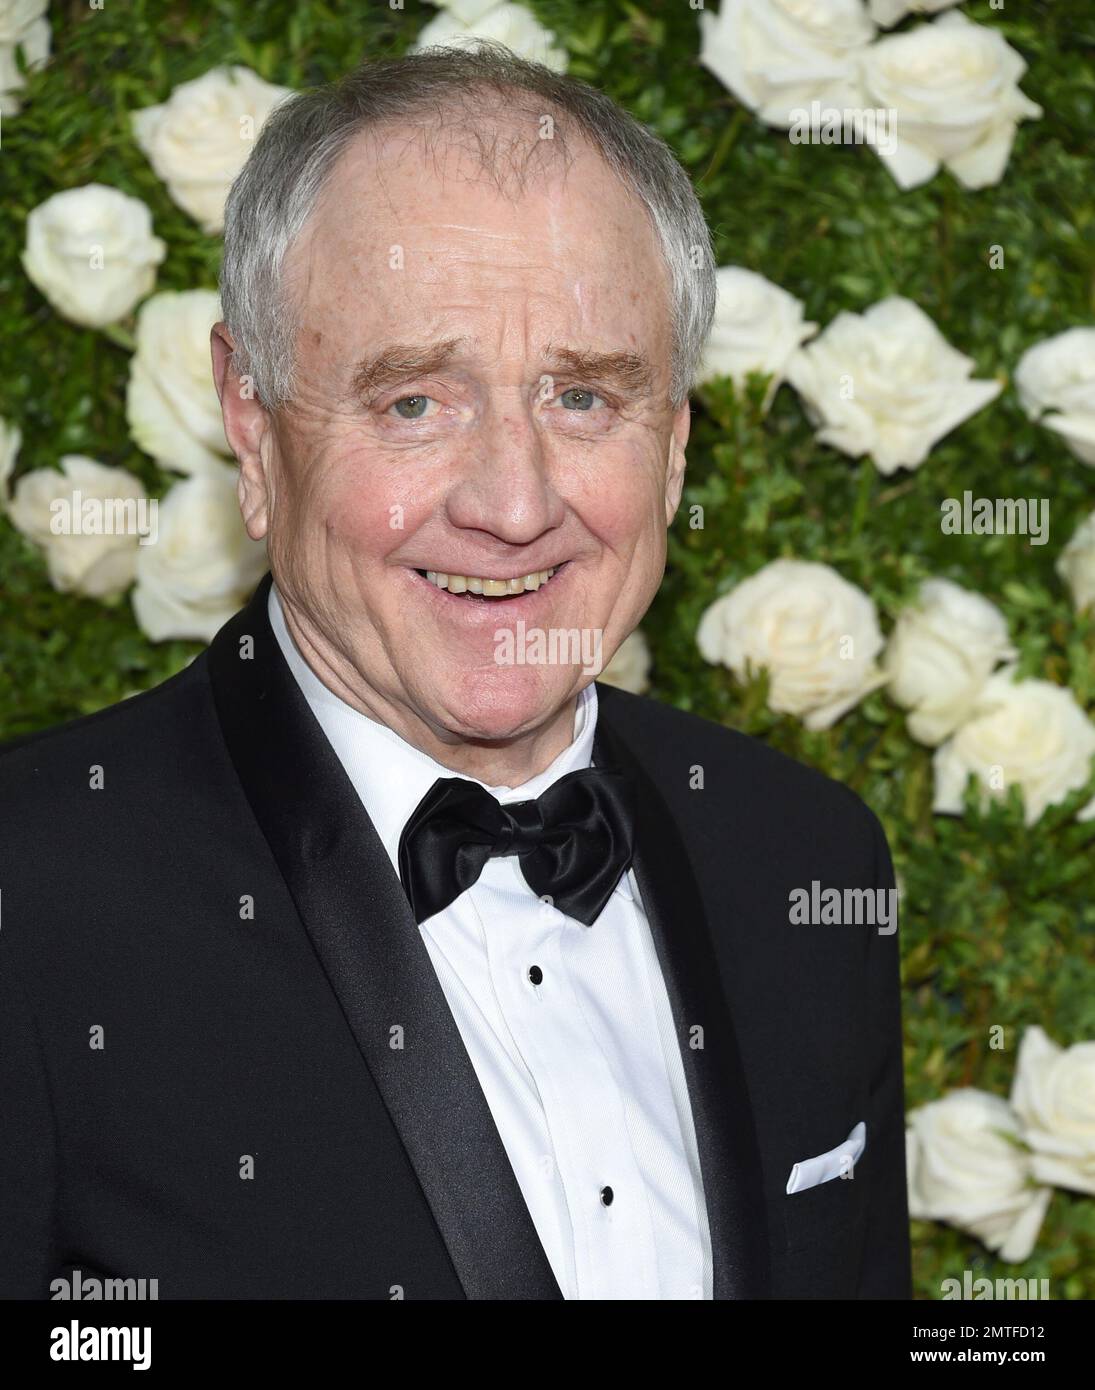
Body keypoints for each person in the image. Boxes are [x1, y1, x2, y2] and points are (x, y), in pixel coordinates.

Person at [0, 40, 909, 1300]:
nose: (515, 502)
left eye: (584, 398)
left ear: (679, 446)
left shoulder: (809, 858)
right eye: (416, 402)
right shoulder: (32, 892)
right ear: (254, 431)